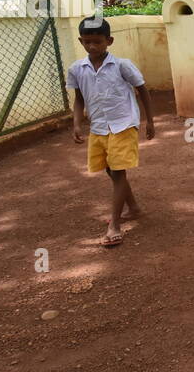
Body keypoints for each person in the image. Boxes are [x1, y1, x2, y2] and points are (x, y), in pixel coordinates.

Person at [66, 16, 155, 247]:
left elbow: (142, 90)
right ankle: (133, 207)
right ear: (81, 41)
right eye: (87, 42)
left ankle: (114, 225)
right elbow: (79, 99)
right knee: (110, 171)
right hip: (98, 127)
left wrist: (150, 122)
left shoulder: (122, 65)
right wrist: (77, 123)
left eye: (97, 42)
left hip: (123, 124)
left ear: (109, 41)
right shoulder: (77, 69)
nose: (92, 46)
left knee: (118, 173)